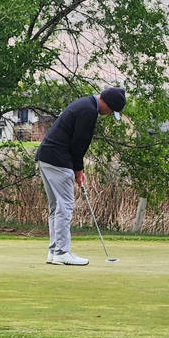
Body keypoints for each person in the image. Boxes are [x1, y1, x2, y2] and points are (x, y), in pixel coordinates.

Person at [36, 87, 126, 265]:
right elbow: (79, 143)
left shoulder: (84, 104)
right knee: (65, 206)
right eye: (111, 110)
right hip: (58, 160)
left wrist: (77, 168)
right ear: (106, 104)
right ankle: (61, 252)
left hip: (46, 157)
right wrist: (79, 169)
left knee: (56, 207)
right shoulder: (89, 111)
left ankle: (54, 252)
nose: (108, 114)